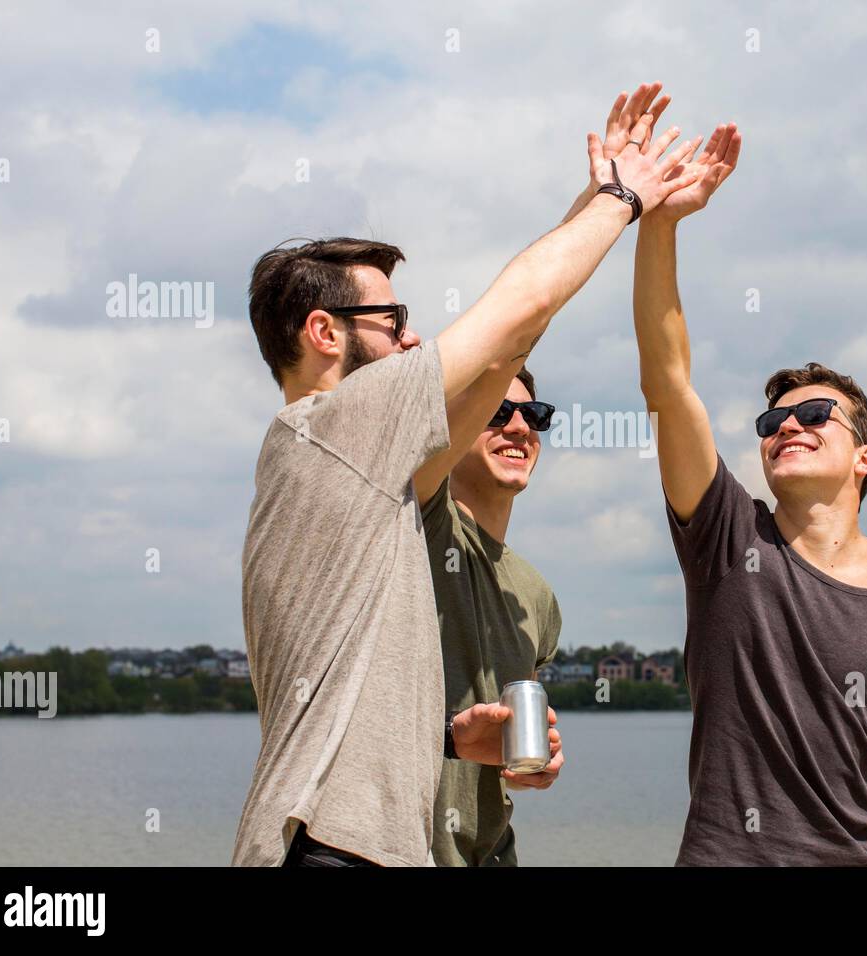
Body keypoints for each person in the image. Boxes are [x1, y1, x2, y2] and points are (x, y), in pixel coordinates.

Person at [232, 84, 703, 866]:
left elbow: (508, 346)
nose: (414, 342)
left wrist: (452, 736)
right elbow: (512, 312)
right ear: (323, 333)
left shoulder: (362, 476)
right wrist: (622, 199)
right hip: (329, 851)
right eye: (393, 322)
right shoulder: (333, 428)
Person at [630, 123, 867, 865]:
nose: (786, 427)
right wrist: (660, 225)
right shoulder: (726, 538)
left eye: (811, 414)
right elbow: (667, 380)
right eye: (771, 421)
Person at [419, 368, 562, 866]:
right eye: (497, 412)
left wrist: (533, 763)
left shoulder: (537, 597)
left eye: (535, 415)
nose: (521, 428)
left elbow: (503, 743)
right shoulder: (418, 522)